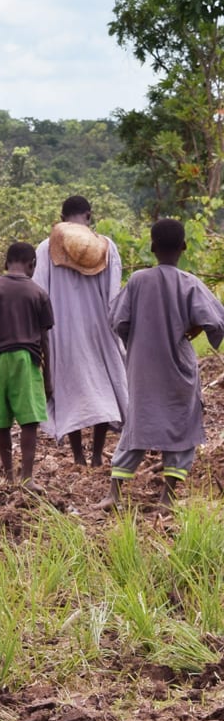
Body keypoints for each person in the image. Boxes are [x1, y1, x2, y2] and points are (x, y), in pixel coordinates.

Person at [102, 217, 224, 507]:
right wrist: (189, 331)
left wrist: (136, 342)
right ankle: (167, 498)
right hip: (179, 369)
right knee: (182, 428)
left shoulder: (138, 280)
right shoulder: (189, 283)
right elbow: (217, 322)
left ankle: (114, 494)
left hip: (143, 367)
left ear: (152, 247)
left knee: (137, 426)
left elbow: (118, 320)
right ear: (183, 247)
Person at [34, 195, 127, 466]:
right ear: (89, 216)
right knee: (102, 388)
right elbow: (114, 297)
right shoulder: (107, 247)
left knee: (69, 388)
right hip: (100, 329)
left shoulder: (45, 248)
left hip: (61, 331)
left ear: (62, 218)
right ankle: (97, 455)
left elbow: (39, 293)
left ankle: (77, 456)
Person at [0, 242, 53, 484]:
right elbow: (45, 339)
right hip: (27, 360)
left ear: (5, 264)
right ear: (32, 265)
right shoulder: (39, 293)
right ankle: (27, 477)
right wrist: (48, 379)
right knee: (29, 421)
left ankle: (8, 477)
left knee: (2, 421)